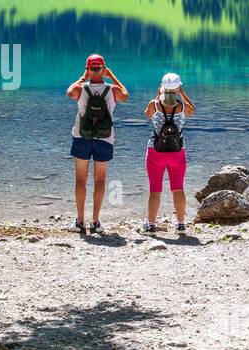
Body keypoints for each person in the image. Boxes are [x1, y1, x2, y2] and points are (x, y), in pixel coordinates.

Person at [66, 54, 129, 234]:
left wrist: (82, 77)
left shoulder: (80, 88)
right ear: (103, 69)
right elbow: (126, 95)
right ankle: (95, 222)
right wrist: (112, 76)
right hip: (105, 139)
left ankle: (79, 222)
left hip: (81, 137)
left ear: (88, 69)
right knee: (100, 180)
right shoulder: (112, 89)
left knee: (80, 179)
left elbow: (69, 92)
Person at [141, 72, 195, 234]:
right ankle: (180, 225)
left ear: (163, 86)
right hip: (177, 152)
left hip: (155, 151)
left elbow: (147, 114)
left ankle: (150, 226)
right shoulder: (182, 107)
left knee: (155, 189)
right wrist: (182, 93)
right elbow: (192, 109)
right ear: (177, 87)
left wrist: (159, 94)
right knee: (178, 188)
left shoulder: (154, 105)